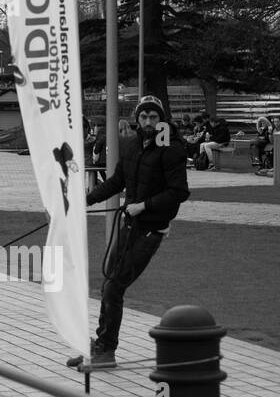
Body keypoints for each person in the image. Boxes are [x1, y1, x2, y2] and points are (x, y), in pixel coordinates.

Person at [67, 95, 190, 370]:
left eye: (154, 117)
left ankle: (106, 352)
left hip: (152, 229)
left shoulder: (171, 147)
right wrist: (84, 200)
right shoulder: (132, 145)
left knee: (114, 286)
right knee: (108, 284)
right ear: (136, 119)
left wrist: (143, 206)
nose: (148, 121)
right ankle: (99, 345)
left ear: (162, 120)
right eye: (144, 117)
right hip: (130, 225)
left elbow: (179, 192)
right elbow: (117, 181)